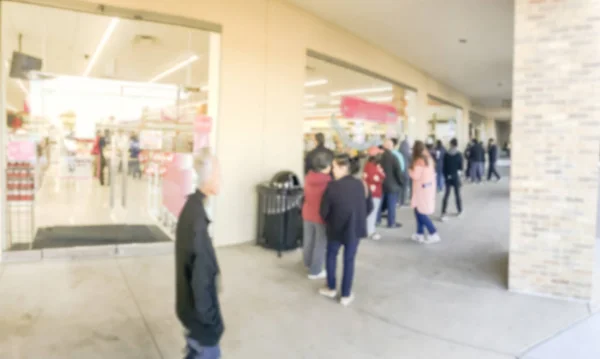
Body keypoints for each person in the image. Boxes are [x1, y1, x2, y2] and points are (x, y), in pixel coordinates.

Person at [175, 151, 224, 359]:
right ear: (209, 179)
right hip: (201, 327)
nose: (221, 179)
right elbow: (201, 280)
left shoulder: (192, 208)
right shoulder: (197, 223)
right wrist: (212, 327)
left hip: (189, 313)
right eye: (219, 174)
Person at [319, 154, 373, 306]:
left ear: (343, 168)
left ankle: (331, 287)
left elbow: (323, 212)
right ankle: (346, 295)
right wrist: (357, 218)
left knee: (331, 256)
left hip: (335, 228)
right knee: (349, 260)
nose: (332, 170)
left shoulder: (332, 187)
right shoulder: (361, 185)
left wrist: (330, 221)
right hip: (354, 229)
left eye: (334, 167)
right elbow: (369, 207)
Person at [302, 151, 333, 279]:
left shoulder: (309, 177)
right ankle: (315, 271)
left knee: (309, 240)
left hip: (307, 212)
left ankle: (308, 262)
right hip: (320, 216)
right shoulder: (328, 181)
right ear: (325, 167)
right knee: (320, 243)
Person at [409, 140, 440, 244]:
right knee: (418, 211)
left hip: (420, 190)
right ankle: (419, 233)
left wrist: (409, 170)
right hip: (428, 188)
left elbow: (415, 176)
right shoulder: (429, 158)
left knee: (420, 212)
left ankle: (433, 232)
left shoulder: (419, 161)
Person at [378, 139, 404, 228]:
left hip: (381, 184)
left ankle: (377, 221)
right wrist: (401, 183)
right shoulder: (394, 157)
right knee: (391, 205)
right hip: (392, 186)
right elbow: (398, 172)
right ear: (391, 147)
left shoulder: (379, 157)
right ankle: (391, 222)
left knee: (379, 204)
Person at [363, 146, 385, 240]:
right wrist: (381, 175)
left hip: (372, 192)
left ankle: (369, 229)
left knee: (371, 211)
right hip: (374, 192)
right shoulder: (372, 166)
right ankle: (370, 231)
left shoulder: (370, 165)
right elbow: (378, 178)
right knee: (372, 212)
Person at [441, 138, 463, 221]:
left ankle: (443, 212)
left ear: (451, 144)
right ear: (456, 145)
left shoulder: (446, 154)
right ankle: (459, 210)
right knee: (457, 194)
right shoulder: (459, 154)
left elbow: (444, 167)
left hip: (447, 177)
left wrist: (446, 175)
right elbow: (461, 167)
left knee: (446, 194)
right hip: (455, 177)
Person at [399, 136, 412, 206]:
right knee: (405, 187)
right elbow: (411, 161)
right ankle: (403, 201)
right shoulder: (408, 153)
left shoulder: (399, 152)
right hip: (406, 172)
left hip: (400, 172)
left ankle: (399, 201)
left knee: (400, 187)